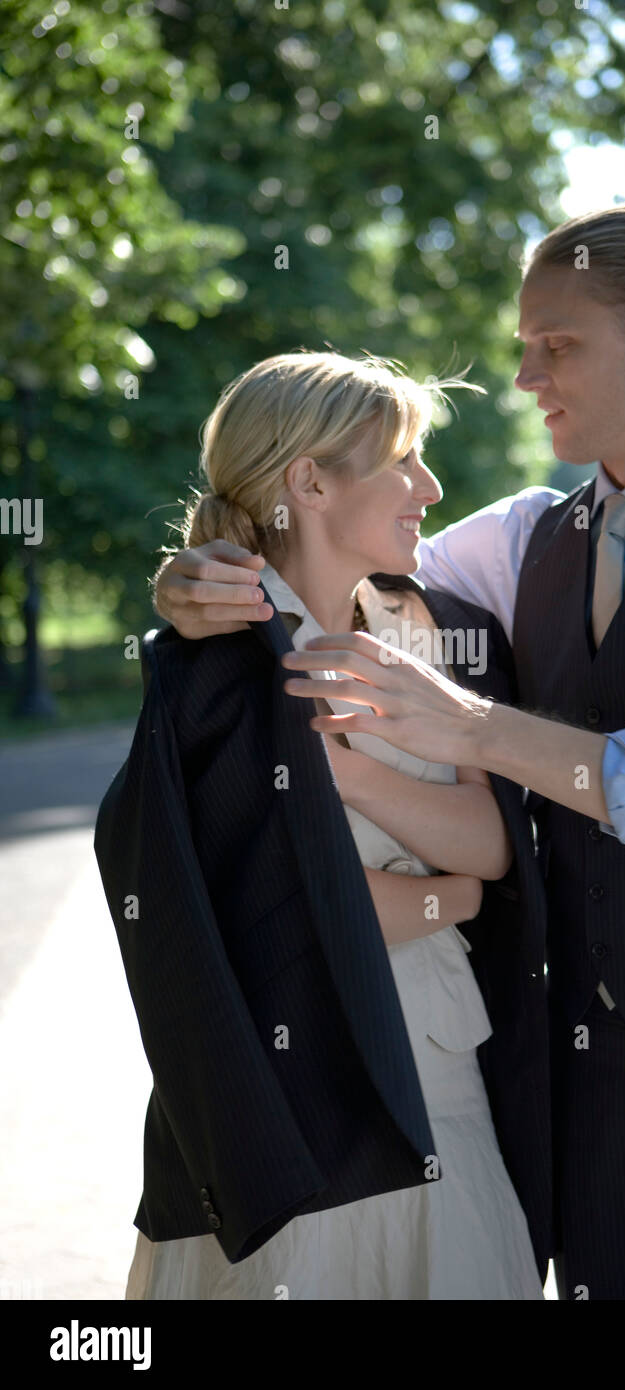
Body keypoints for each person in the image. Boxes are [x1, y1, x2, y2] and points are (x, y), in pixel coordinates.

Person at [154, 203, 625, 1301]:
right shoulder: (525, 534)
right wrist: (192, 581)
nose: (524, 372)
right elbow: (337, 549)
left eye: (556, 344)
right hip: (579, 1080)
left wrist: (475, 728)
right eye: (525, 343)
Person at [95, 351, 549, 1300]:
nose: (429, 486)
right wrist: (447, 893)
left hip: (444, 1077)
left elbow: (497, 848)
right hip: (285, 1093)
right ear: (308, 480)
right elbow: (265, 910)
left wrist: (344, 775)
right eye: (404, 459)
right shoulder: (207, 665)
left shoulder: (438, 629)